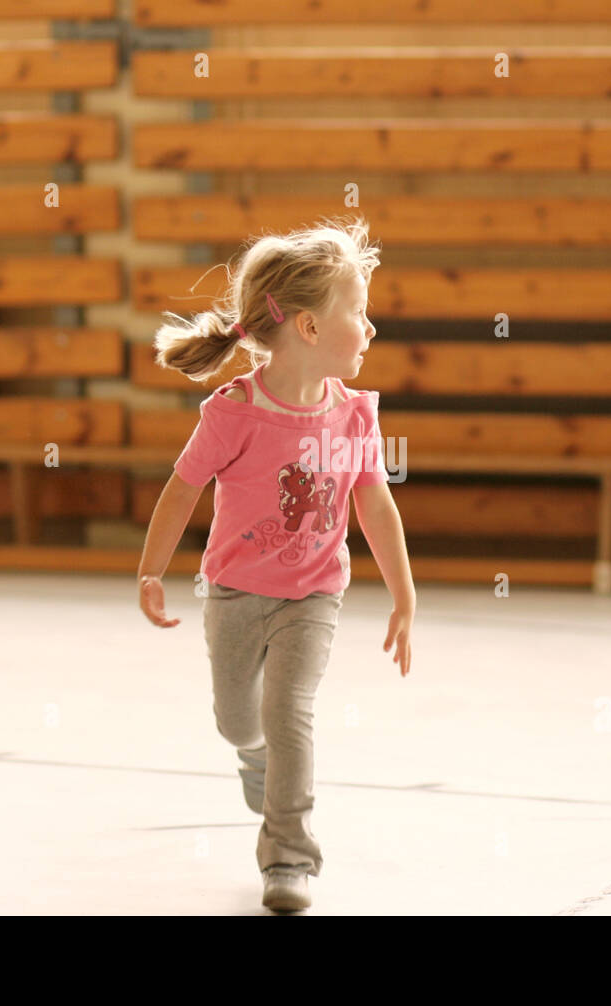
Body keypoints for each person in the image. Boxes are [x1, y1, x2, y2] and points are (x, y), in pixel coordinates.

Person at [136, 217, 415, 913]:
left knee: (290, 711)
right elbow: (182, 489)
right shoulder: (233, 413)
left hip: (312, 597)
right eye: (359, 311)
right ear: (310, 329)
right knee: (239, 720)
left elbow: (375, 508)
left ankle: (289, 857)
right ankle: (255, 758)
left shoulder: (353, 417)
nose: (371, 328)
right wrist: (150, 570)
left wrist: (404, 595)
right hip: (233, 594)